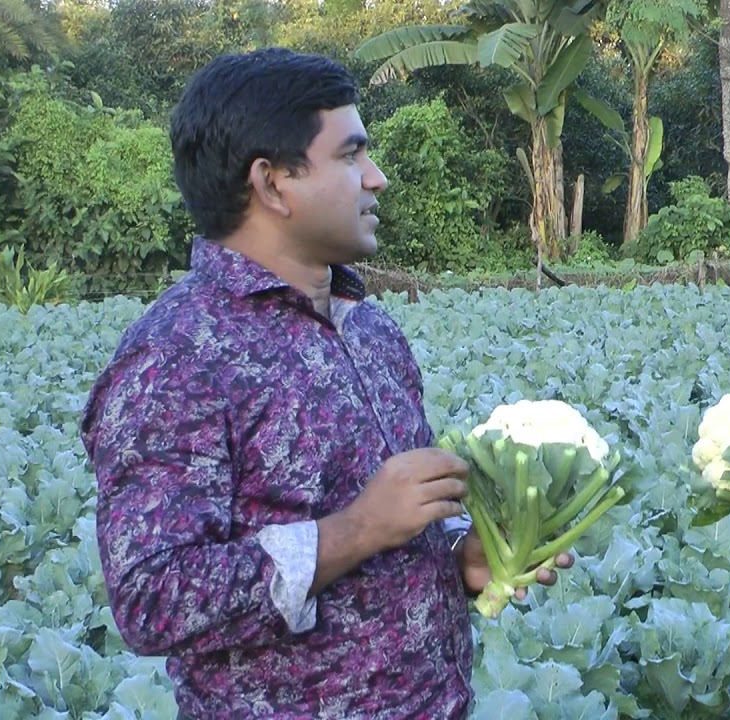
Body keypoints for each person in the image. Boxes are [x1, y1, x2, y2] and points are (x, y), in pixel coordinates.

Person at [80, 47, 571, 719]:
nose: (377, 178)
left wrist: (461, 558)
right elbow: (152, 597)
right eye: (350, 155)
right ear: (272, 183)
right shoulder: (175, 357)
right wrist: (357, 529)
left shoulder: (369, 329)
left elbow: (399, 532)